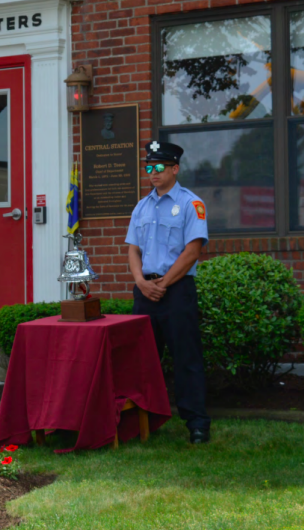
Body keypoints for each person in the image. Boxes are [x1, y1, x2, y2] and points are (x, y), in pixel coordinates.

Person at [126, 140, 211, 444]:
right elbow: (133, 250)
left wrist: (163, 283)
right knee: (142, 360)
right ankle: (142, 421)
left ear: (175, 169)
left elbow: (193, 251)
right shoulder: (142, 206)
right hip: (145, 291)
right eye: (149, 167)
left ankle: (197, 423)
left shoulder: (191, 204)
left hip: (176, 291)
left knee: (186, 358)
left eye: (159, 167)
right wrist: (141, 281)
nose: (153, 172)